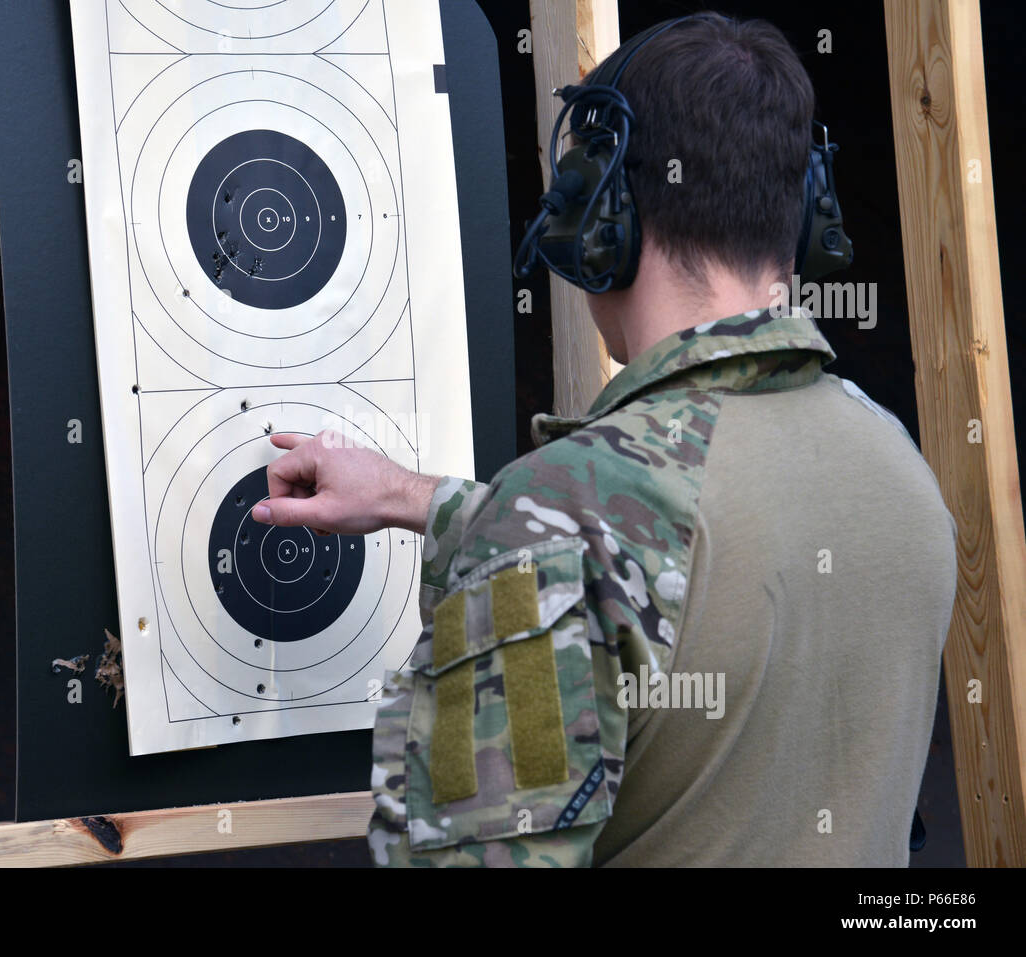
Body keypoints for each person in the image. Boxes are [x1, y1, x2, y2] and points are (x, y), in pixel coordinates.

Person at [252, 12, 957, 866]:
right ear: (804, 207)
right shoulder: (895, 462)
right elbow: (670, 556)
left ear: (602, 208)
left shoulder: (563, 511)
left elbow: (612, 551)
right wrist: (410, 495)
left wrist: (517, 525)